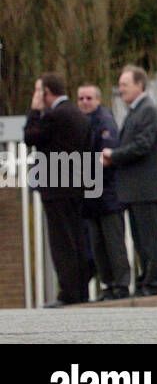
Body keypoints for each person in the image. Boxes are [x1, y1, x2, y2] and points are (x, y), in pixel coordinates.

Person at [25, 74, 92, 305]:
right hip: (76, 186)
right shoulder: (78, 115)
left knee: (61, 241)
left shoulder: (54, 116)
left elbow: (30, 137)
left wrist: (34, 111)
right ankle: (81, 290)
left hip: (56, 187)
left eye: (37, 91)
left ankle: (69, 292)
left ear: (46, 92)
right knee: (77, 238)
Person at [107, 66, 157, 297]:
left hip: (147, 189)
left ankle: (152, 283)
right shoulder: (136, 111)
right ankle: (145, 281)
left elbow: (143, 145)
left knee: (149, 239)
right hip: (136, 190)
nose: (121, 89)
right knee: (140, 239)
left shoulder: (148, 111)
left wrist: (113, 156)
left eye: (125, 84)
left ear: (139, 85)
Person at [76, 84, 130, 300]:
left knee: (113, 241)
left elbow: (106, 158)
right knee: (97, 244)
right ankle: (107, 284)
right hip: (91, 195)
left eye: (89, 98)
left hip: (107, 193)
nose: (85, 102)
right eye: (81, 98)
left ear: (98, 99)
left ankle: (121, 284)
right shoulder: (83, 122)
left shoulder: (104, 121)